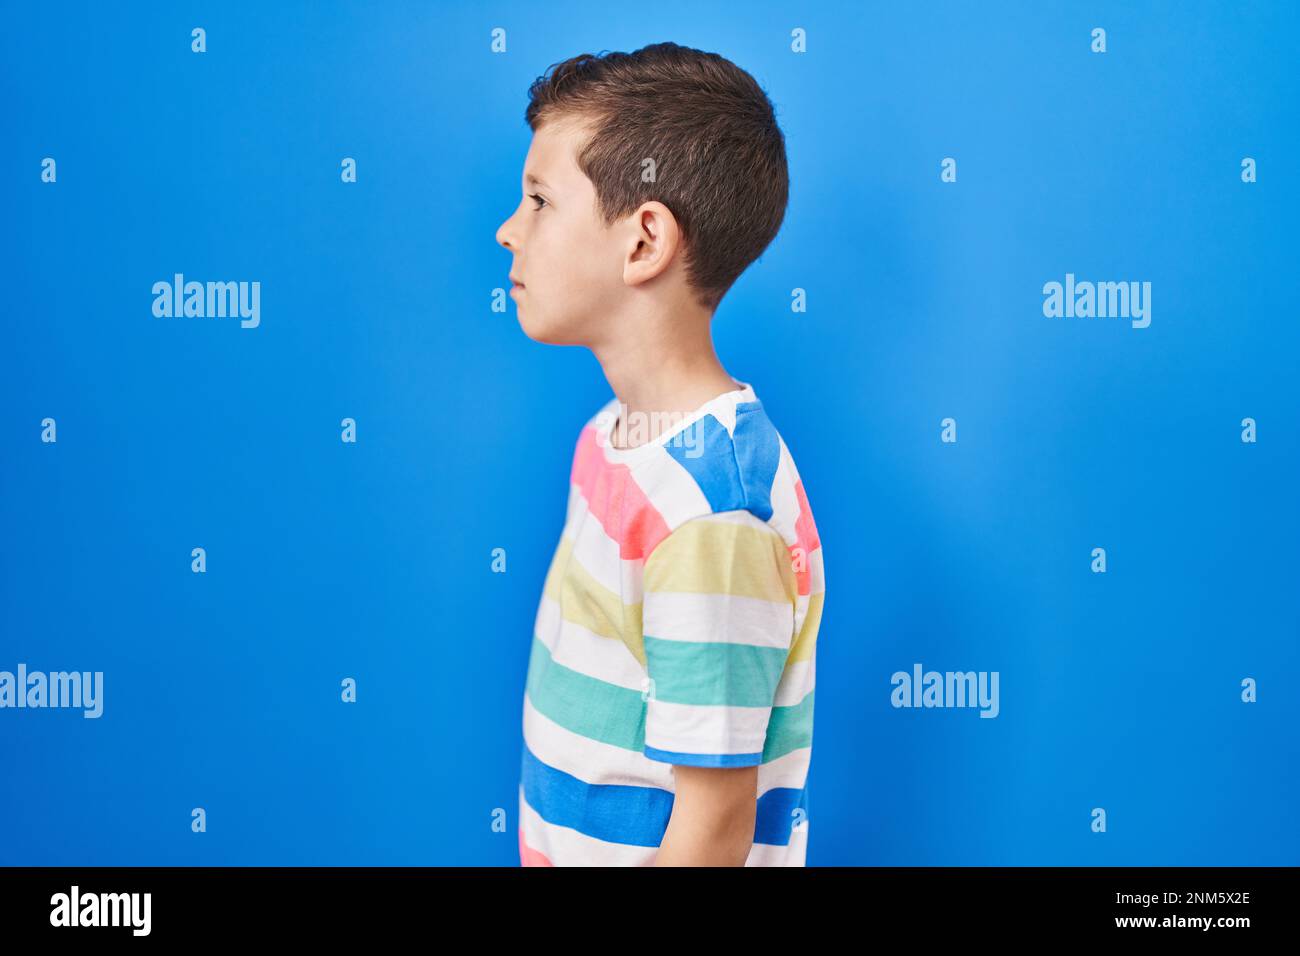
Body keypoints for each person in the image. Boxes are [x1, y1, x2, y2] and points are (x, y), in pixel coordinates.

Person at [496, 41, 825, 866]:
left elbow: (714, 826)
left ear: (644, 242)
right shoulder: (612, 438)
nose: (508, 231)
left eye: (539, 201)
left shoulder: (712, 515)